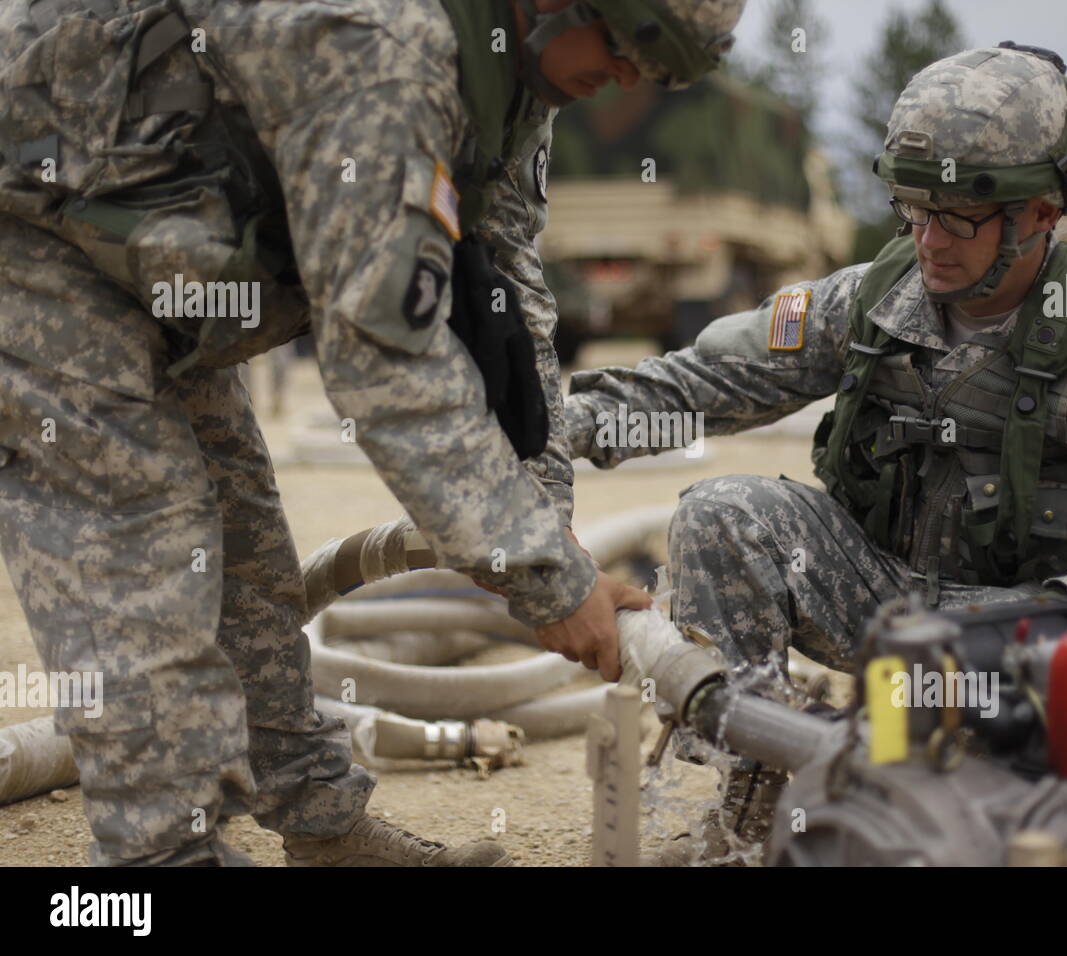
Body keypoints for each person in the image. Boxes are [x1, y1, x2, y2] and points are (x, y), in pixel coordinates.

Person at [0, 0, 746, 866]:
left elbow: (505, 288)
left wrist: (546, 524)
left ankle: (324, 832)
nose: (626, 81)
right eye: (631, 46)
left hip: (156, 270)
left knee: (243, 553)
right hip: (36, 242)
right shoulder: (383, 43)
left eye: (659, 74)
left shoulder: (508, 77)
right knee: (145, 536)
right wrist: (550, 583)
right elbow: (386, 365)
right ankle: (160, 859)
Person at [564, 43, 1067, 864]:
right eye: (910, 209)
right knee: (722, 515)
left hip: (1040, 645)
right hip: (890, 610)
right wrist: (549, 434)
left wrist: (1035, 623)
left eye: (956, 217)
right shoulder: (875, 298)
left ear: (1040, 211)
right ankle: (761, 787)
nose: (927, 240)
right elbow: (695, 386)